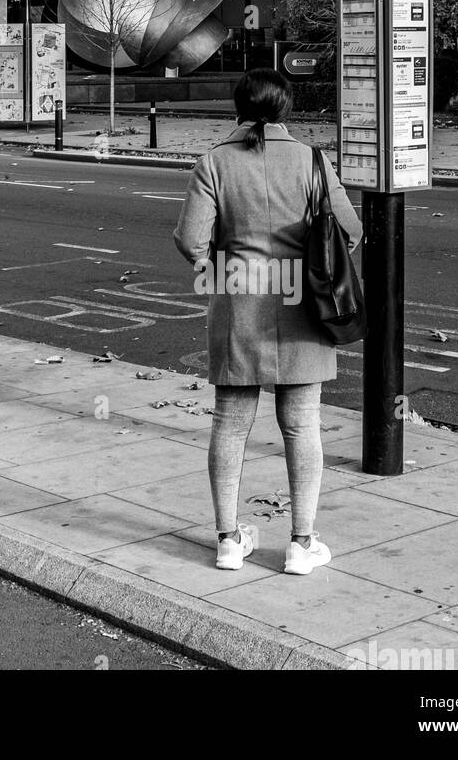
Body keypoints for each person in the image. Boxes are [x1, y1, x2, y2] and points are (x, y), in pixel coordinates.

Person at [173, 67, 362, 575]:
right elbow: (351, 228)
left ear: (238, 107)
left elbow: (191, 241)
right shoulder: (312, 161)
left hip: (239, 303)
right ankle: (301, 544)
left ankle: (229, 541)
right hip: (304, 307)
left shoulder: (213, 163)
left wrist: (218, 265)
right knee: (302, 427)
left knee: (230, 424)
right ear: (285, 109)